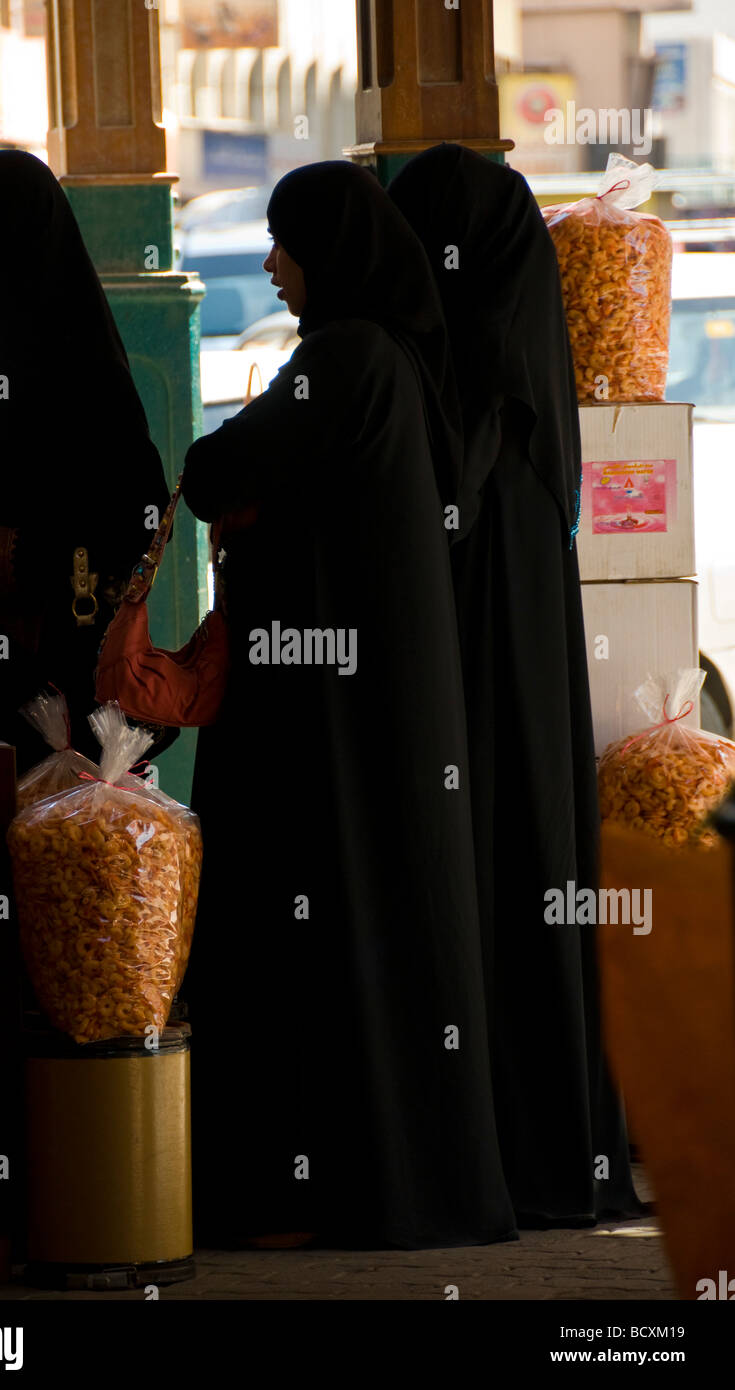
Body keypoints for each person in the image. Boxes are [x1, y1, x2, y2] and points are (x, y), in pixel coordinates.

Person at [179, 160, 519, 1250]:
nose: (272, 265)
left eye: (287, 246)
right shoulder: (409, 361)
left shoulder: (344, 358)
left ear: (335, 254)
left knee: (313, 929)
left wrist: (243, 488)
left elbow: (208, 468)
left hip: (325, 719)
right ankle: (382, 1185)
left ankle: (303, 1189)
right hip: (379, 709)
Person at [389, 142, 642, 1224]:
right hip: (521, 693)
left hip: (472, 688)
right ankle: (546, 1147)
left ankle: (489, 1146)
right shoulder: (522, 378)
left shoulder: (468, 380)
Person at [0, 150, 171, 771]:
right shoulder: (5, 334)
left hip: (51, 678)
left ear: (3, 227)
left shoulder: (72, 359)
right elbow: (5, 479)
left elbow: (133, 510)